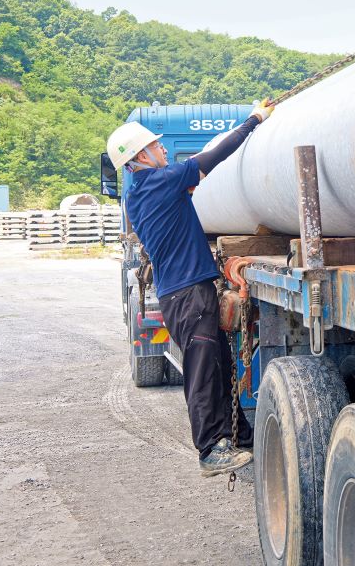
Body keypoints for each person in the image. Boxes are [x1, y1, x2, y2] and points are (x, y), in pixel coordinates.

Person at [106, 100, 274, 476]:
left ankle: (237, 434)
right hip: (189, 295)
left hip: (181, 294)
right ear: (139, 158)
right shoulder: (163, 182)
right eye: (155, 146)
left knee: (220, 363)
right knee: (203, 370)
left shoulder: (139, 195)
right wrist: (253, 121)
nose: (163, 148)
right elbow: (213, 157)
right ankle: (210, 449)